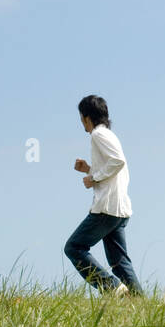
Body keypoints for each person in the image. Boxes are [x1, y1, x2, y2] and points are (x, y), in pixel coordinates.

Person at [64, 95, 143, 296]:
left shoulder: (98, 135)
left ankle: (113, 288)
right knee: (119, 261)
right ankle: (139, 302)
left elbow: (118, 161)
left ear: (86, 117)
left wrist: (94, 178)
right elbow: (114, 167)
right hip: (120, 208)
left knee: (74, 247)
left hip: (107, 207)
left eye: (81, 118)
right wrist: (89, 170)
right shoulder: (109, 135)